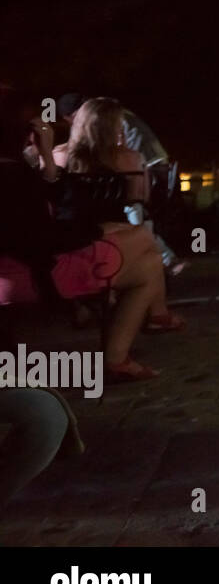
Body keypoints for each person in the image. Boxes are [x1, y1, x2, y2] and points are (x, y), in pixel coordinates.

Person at [0, 88, 171, 383]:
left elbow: (41, 216)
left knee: (146, 256)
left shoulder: (17, 169)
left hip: (25, 266)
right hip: (35, 275)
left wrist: (47, 159)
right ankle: (120, 353)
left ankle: (123, 353)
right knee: (146, 255)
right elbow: (41, 236)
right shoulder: (12, 174)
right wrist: (95, 231)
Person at [56, 93, 183, 276]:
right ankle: (163, 261)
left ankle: (164, 260)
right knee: (138, 221)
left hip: (71, 237)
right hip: (106, 234)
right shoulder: (124, 153)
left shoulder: (61, 156)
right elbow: (139, 198)